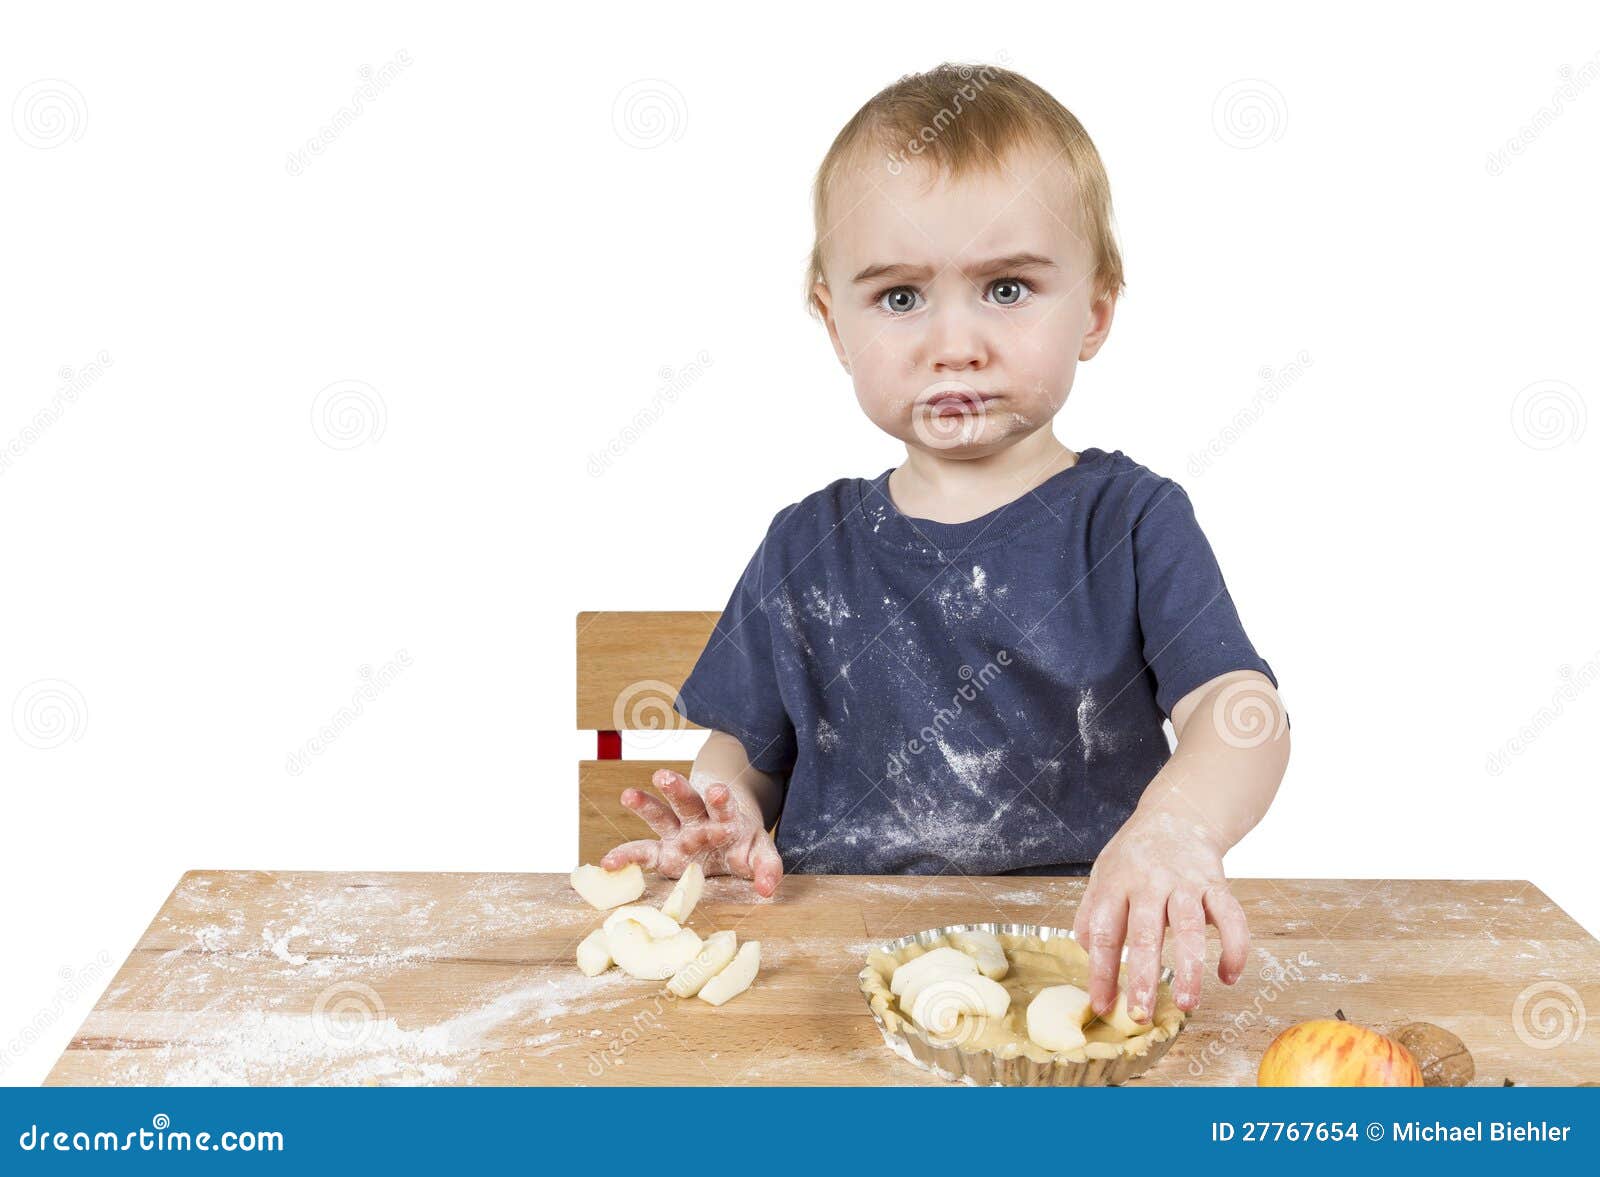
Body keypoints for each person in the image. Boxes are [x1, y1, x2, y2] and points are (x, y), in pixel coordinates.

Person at [601, 62, 1291, 1026]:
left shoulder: (1130, 521)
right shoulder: (809, 542)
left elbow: (1240, 710)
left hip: (1076, 968)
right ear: (832, 321)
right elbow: (742, 755)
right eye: (898, 297)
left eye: (1007, 287)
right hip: (829, 978)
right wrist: (728, 818)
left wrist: (1177, 827)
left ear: (1094, 310)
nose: (954, 341)